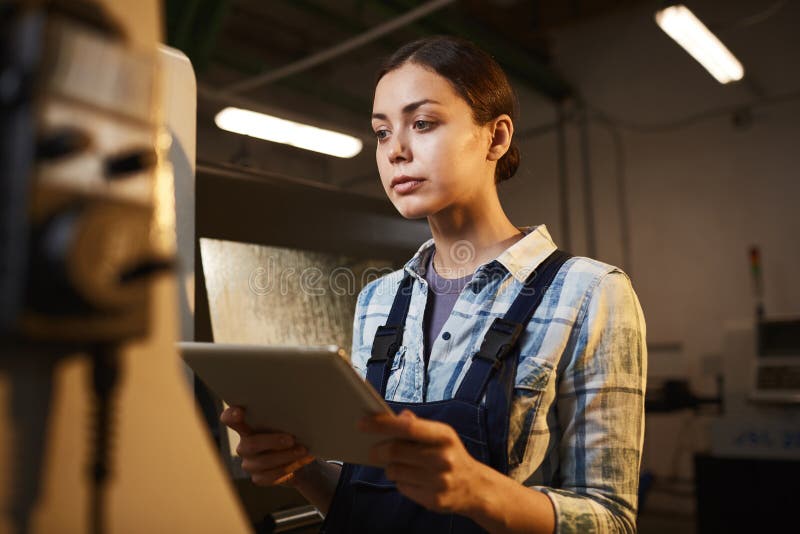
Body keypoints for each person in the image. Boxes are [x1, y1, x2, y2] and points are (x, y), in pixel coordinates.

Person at [221, 36, 646, 533]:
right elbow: (371, 499)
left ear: (496, 137)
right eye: (382, 132)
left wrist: (481, 493)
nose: (396, 151)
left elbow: (614, 519)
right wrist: (300, 470)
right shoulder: (377, 302)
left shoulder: (590, 294)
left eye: (422, 123)